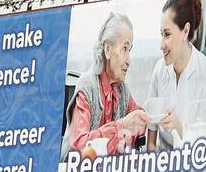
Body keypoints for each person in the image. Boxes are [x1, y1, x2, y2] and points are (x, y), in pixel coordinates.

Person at [63, 11, 149, 156]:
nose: (129, 60)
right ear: (108, 50)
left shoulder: (122, 90)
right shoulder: (87, 87)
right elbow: (78, 146)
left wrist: (142, 121)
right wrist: (121, 126)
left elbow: (136, 122)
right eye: (124, 49)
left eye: (130, 50)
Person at [146, 0, 206, 149]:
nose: (161, 44)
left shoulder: (205, 71)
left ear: (185, 31)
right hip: (161, 165)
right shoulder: (159, 69)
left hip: (191, 165)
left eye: (167, 34)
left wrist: (178, 125)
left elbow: (203, 142)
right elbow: (151, 135)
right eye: (161, 34)